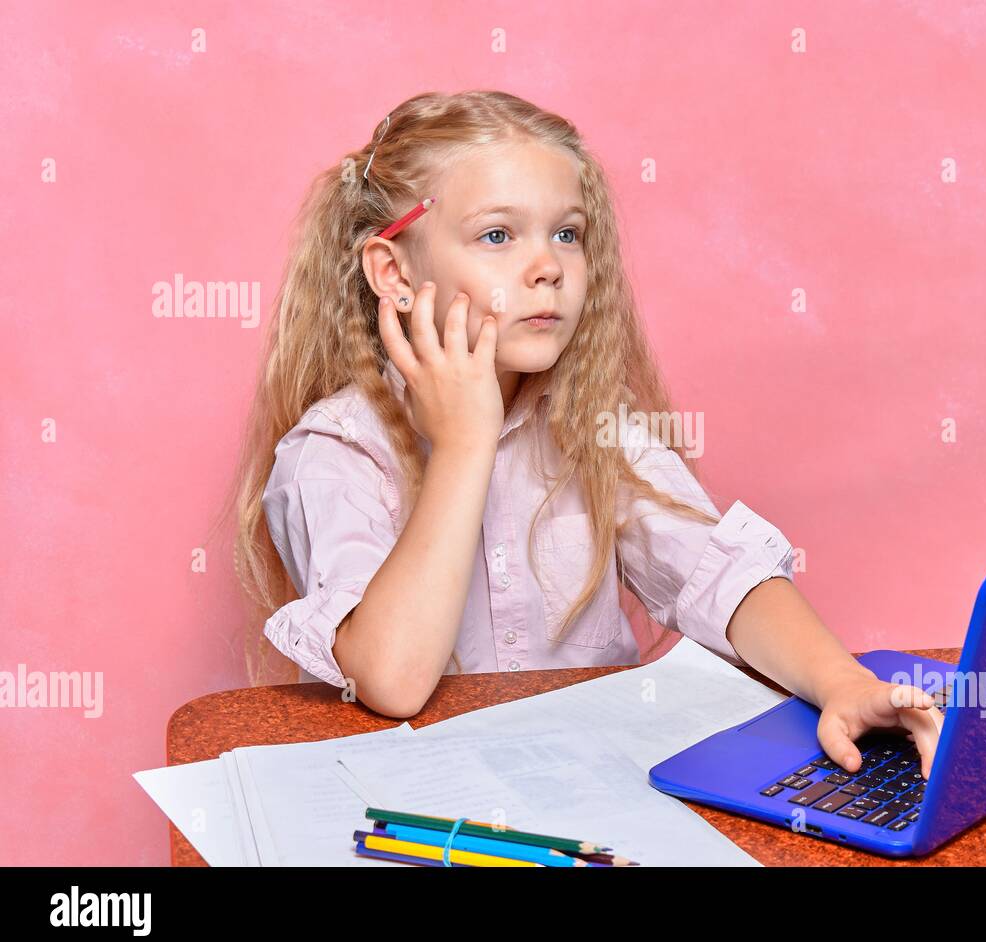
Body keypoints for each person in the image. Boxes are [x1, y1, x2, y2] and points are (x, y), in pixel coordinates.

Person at [230, 90, 942, 777]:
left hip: (588, 790)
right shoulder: (335, 455)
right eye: (498, 235)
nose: (548, 269)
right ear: (395, 271)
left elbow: (719, 574)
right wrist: (464, 444)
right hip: (419, 807)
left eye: (567, 234)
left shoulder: (593, 428)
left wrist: (841, 682)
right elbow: (392, 678)